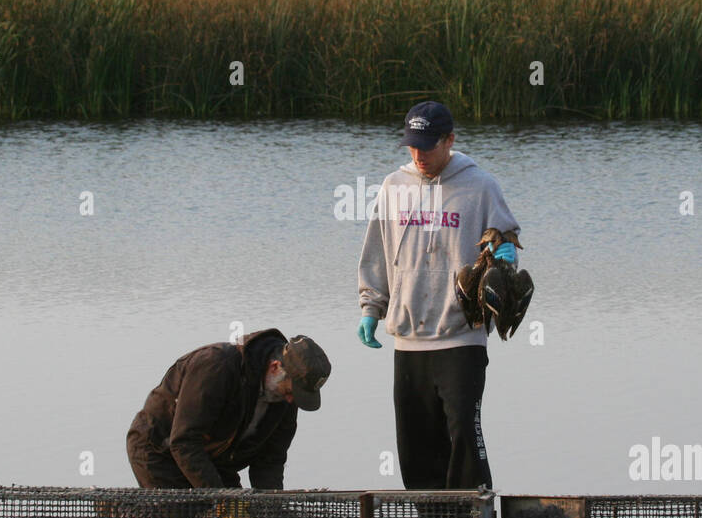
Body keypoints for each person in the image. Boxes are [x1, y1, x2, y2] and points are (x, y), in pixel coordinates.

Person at [356, 101, 521, 490]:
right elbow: (377, 251)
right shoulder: (393, 187)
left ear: (450, 140)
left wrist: (505, 250)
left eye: (428, 146)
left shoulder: (480, 186)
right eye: (413, 146)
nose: (419, 155)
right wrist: (371, 307)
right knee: (415, 443)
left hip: (461, 333)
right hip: (408, 335)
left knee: (464, 431)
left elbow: (505, 236)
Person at [126, 328, 330, 490]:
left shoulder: (285, 398)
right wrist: (222, 499)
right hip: (160, 450)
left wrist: (272, 509)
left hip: (216, 457)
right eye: (291, 391)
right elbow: (184, 442)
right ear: (275, 367)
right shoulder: (216, 367)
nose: (291, 400)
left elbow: (271, 460)